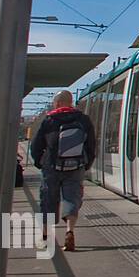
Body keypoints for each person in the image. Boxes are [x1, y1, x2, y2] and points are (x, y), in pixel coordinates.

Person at [29, 89, 95, 252]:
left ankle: (45, 236)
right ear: (70, 102)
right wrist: (86, 164)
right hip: (76, 166)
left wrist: (39, 162)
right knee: (72, 198)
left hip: (51, 166)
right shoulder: (84, 120)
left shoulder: (50, 120)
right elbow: (91, 145)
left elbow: (36, 146)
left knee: (48, 199)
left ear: (57, 103)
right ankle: (69, 231)